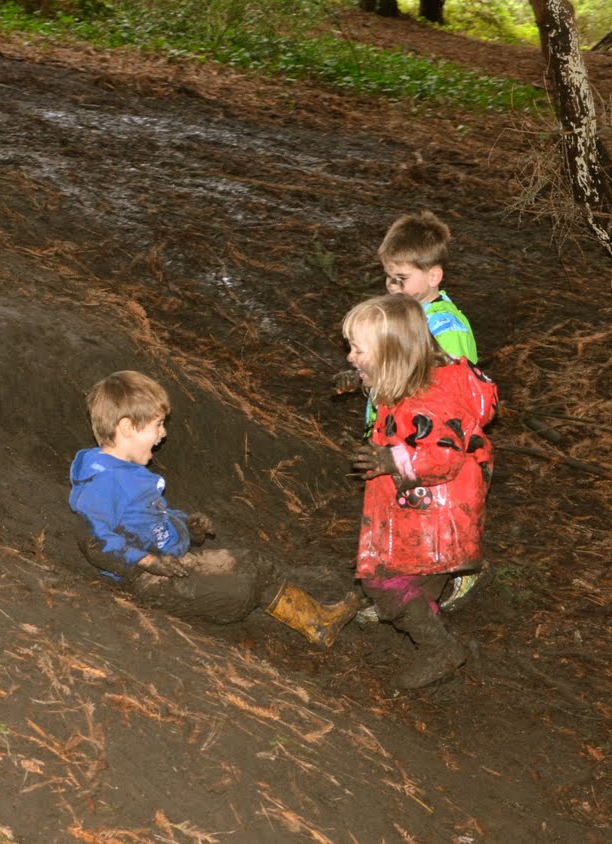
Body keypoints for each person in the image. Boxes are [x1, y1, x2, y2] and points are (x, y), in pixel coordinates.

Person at [70, 370, 359, 646]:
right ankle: (232, 611)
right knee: (240, 587)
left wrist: (188, 527)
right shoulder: (102, 480)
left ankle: (317, 622)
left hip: (170, 564)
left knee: (255, 564)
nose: (163, 434)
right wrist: (146, 561)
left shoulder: (129, 474)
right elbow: (93, 538)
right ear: (127, 427)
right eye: (157, 425)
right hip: (146, 581)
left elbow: (151, 519)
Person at [335, 211, 486, 613]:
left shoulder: (446, 327)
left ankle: (443, 581)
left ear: (433, 276)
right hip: (401, 439)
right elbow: (397, 368)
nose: (392, 287)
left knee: (431, 522)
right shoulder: (404, 316)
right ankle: (402, 590)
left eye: (402, 279)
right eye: (388, 278)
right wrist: (366, 379)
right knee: (405, 518)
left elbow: (452, 392)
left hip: (433, 448)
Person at [343, 295, 496, 689]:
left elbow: (442, 456)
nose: (349, 356)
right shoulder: (413, 382)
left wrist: (394, 461)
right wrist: (363, 380)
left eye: (358, 350)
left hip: (433, 515)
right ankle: (422, 612)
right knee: (420, 581)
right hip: (431, 512)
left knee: (382, 581)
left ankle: (438, 648)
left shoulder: (426, 403)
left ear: (391, 358)